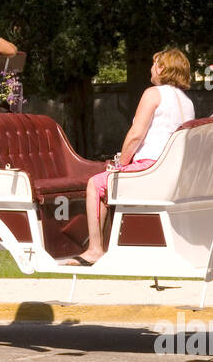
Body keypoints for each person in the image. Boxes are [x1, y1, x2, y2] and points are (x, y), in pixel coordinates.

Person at [61, 48, 195, 266]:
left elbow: (135, 135)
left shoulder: (153, 93)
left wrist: (121, 164)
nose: (151, 68)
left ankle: (95, 250)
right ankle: (106, 247)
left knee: (96, 184)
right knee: (107, 183)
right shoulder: (187, 101)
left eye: (154, 64)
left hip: (150, 169)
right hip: (171, 171)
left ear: (162, 68)